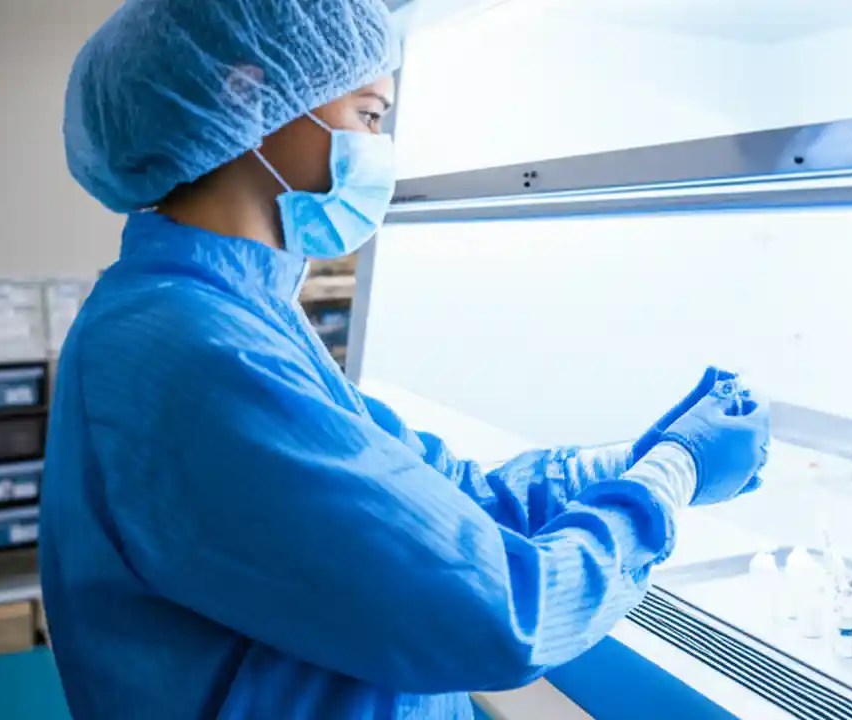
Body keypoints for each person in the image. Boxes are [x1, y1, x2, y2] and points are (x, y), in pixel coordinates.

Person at [41, 1, 771, 718]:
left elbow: (439, 492)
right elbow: (498, 614)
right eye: (368, 115)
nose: (378, 147)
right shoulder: (194, 350)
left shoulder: (227, 312)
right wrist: (674, 474)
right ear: (248, 91)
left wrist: (625, 459)